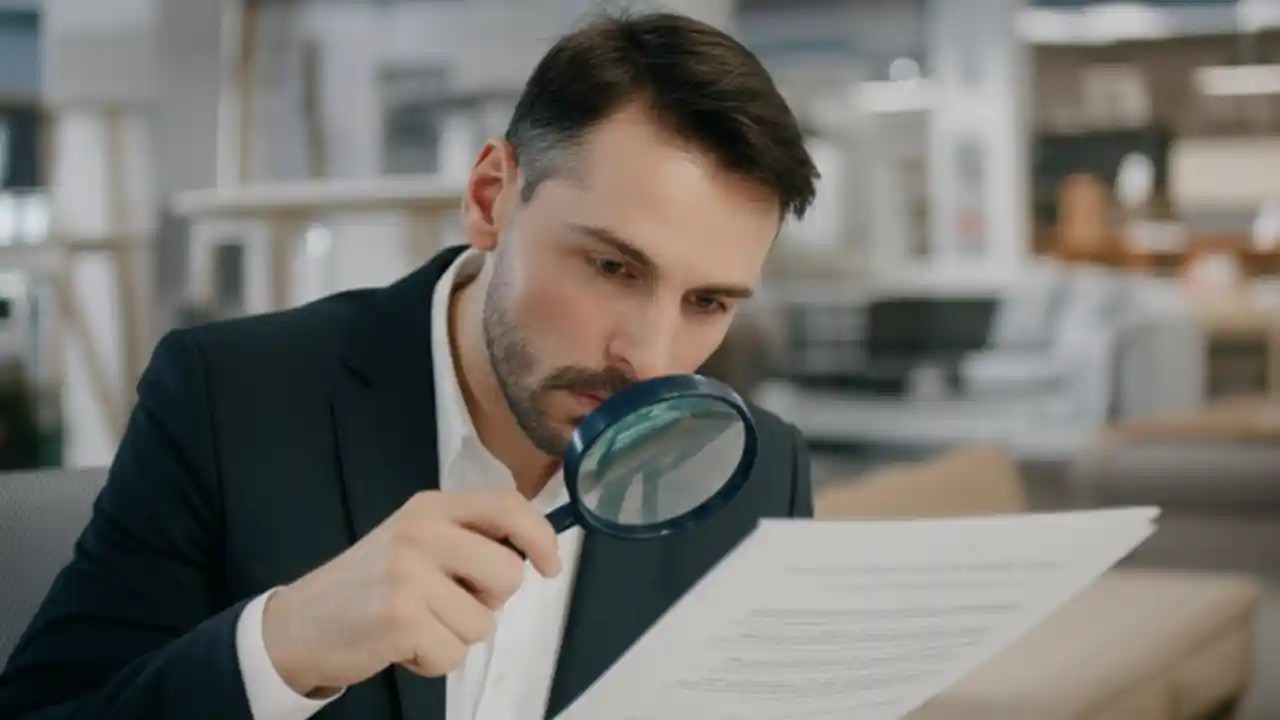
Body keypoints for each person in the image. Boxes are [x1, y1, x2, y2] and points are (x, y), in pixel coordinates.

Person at [0, 11, 818, 720]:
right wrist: (284, 648)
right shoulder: (229, 400)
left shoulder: (755, 471)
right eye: (611, 268)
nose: (649, 359)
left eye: (707, 303)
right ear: (492, 196)